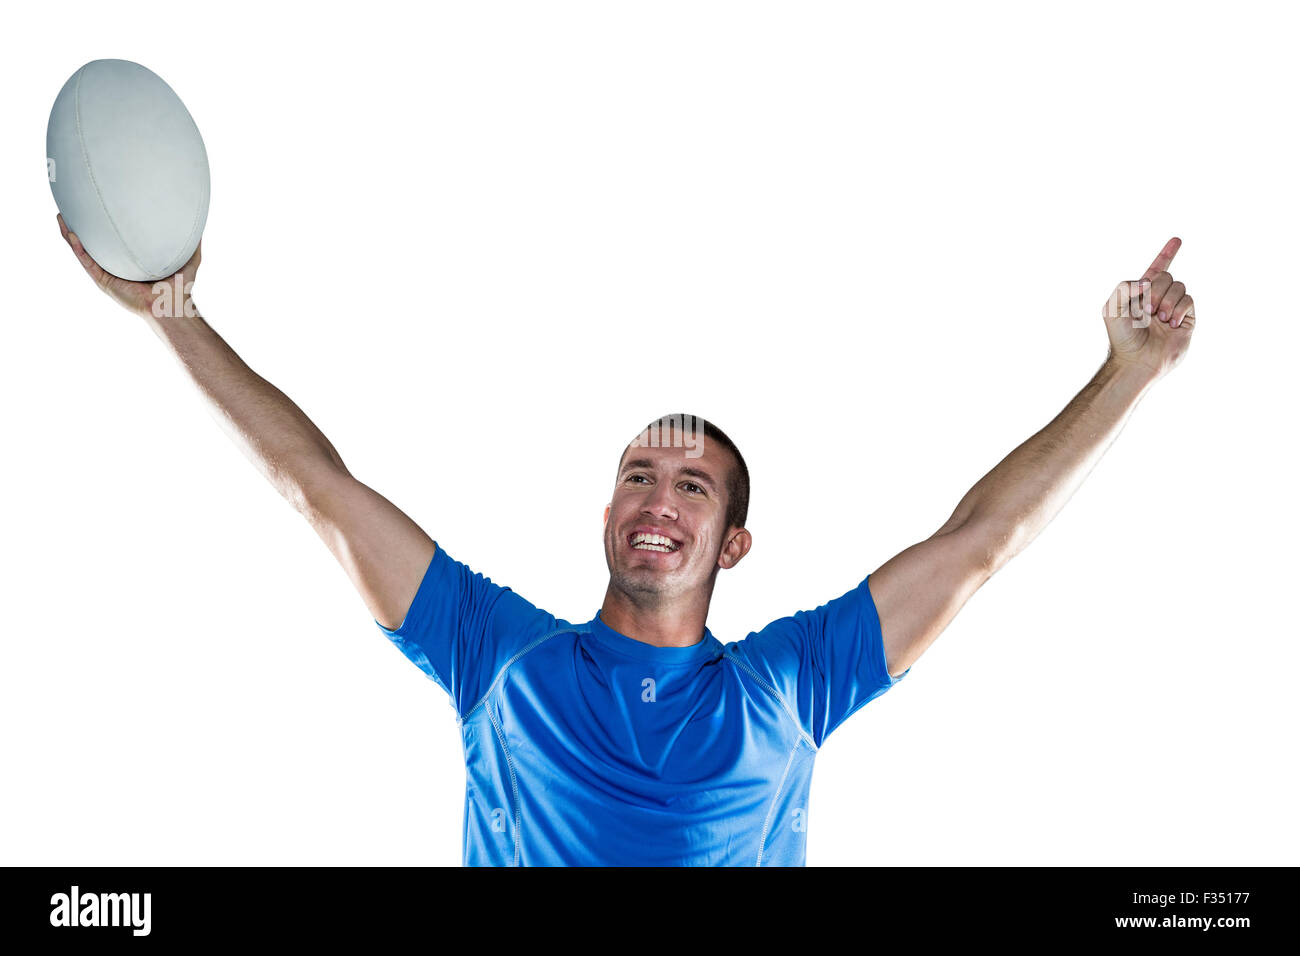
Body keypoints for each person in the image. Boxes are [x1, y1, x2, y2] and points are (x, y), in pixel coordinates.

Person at [57, 215, 1196, 865]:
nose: (659, 494)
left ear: (733, 542)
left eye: (692, 483)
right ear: (606, 517)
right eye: (638, 474)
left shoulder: (792, 681)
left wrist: (1123, 373)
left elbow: (980, 539)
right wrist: (176, 316)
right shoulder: (496, 652)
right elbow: (316, 487)